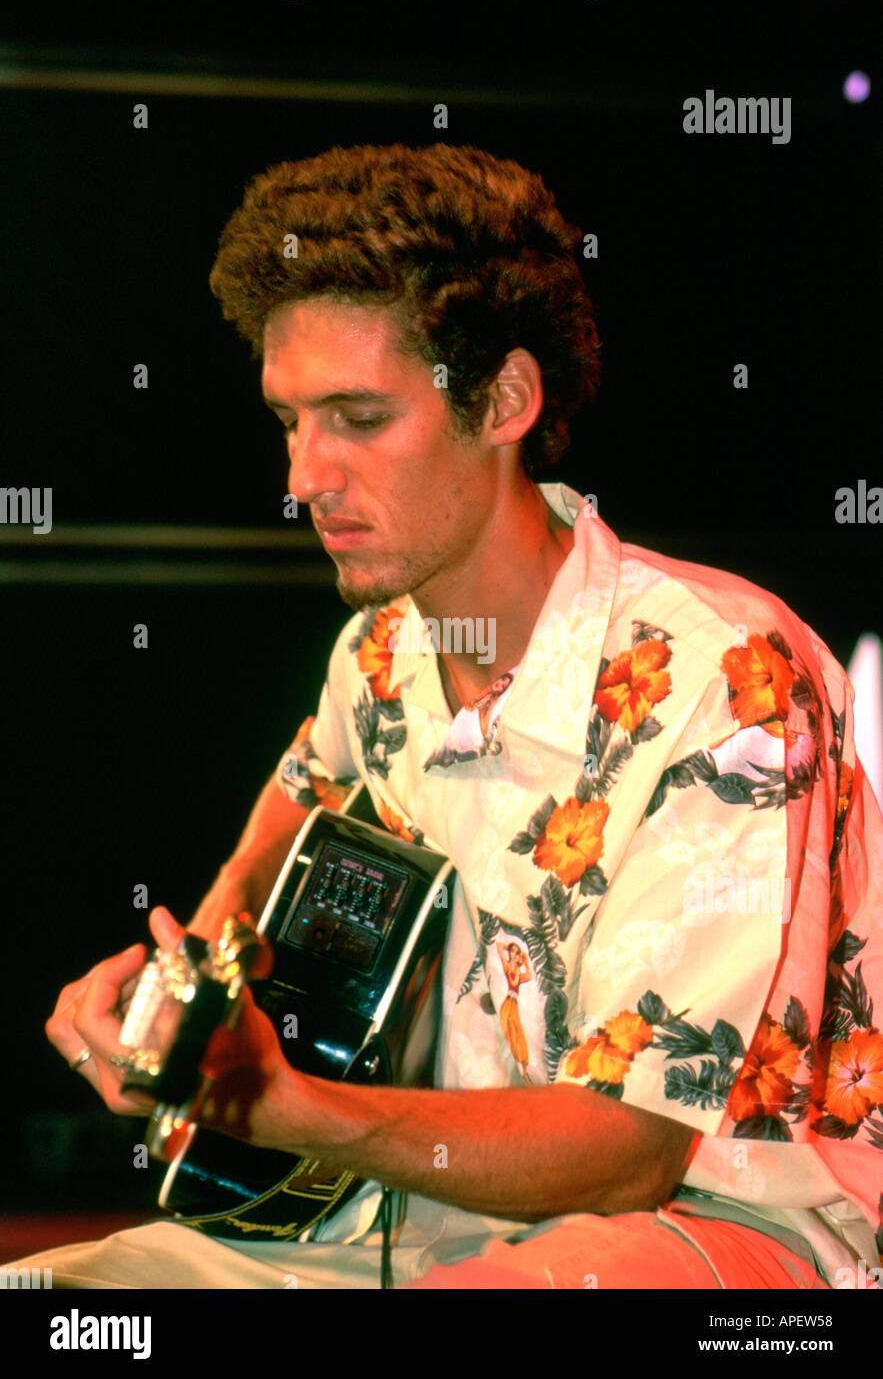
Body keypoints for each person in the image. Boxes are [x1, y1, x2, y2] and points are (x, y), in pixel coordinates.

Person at [26, 143, 883, 1289]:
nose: (302, 476)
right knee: (66, 1296)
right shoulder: (375, 658)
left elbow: (629, 1151)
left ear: (504, 401)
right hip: (421, 1223)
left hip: (721, 1239)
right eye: (289, 419)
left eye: (358, 418)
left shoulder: (727, 675)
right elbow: (241, 899)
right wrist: (156, 1008)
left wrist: (294, 1109)